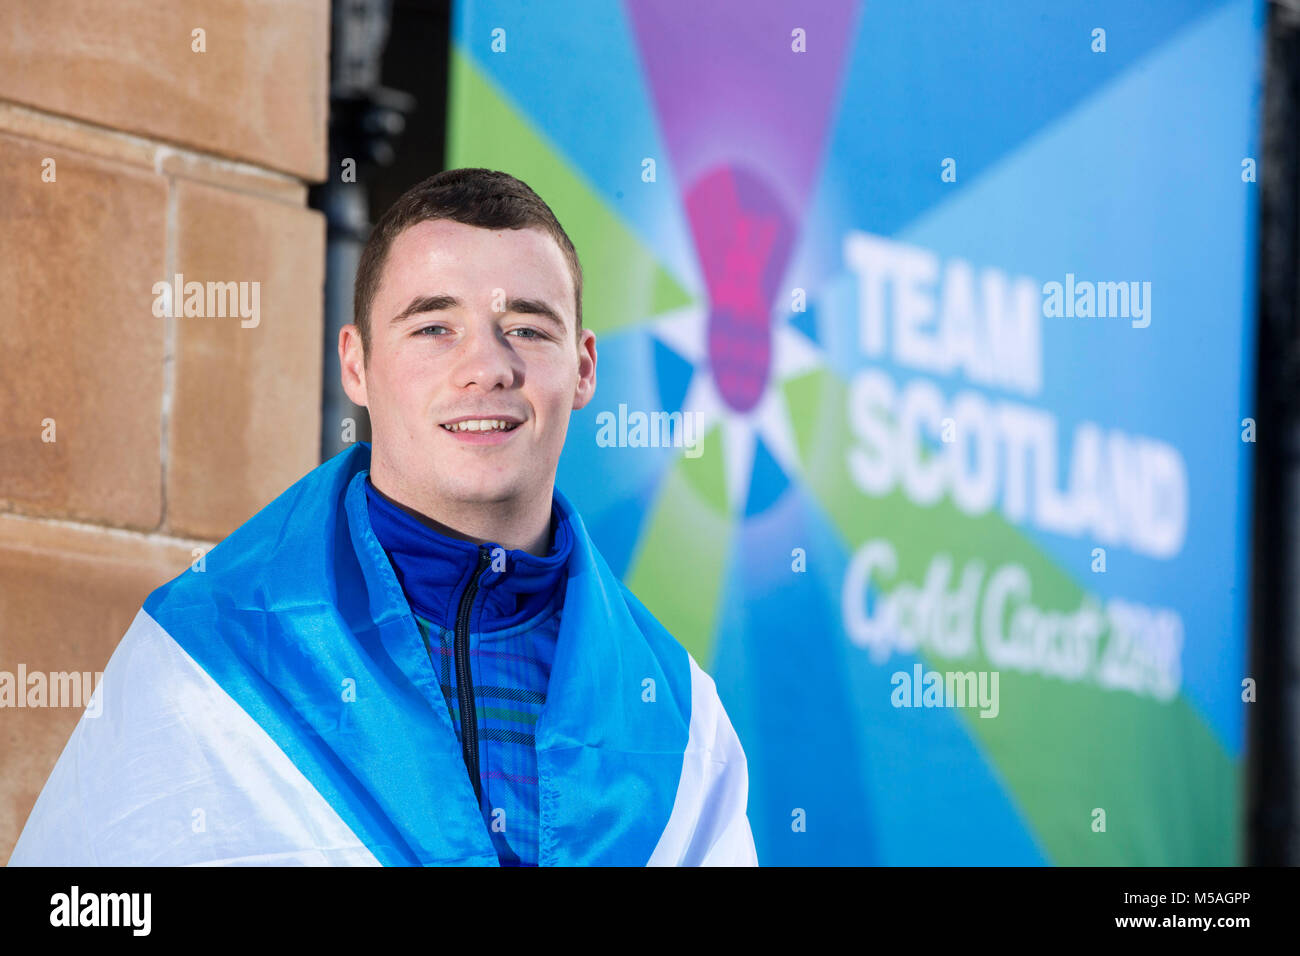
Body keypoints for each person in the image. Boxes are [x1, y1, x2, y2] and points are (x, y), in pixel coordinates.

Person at [8, 168, 758, 867]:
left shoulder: (682, 720)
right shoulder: (206, 654)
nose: (487, 366)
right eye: (435, 327)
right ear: (357, 364)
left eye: (527, 328)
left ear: (585, 367)